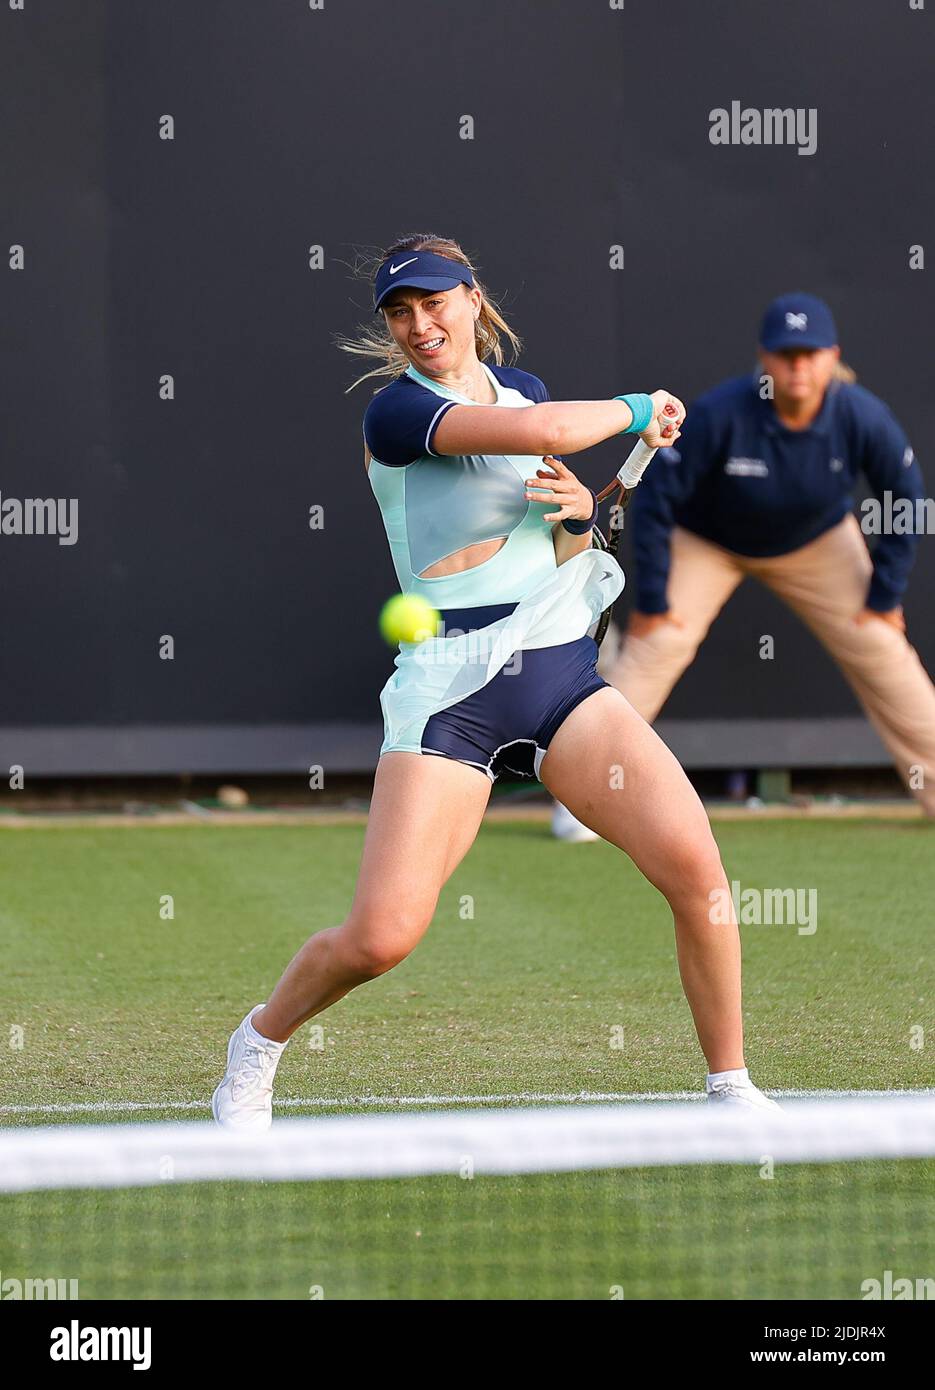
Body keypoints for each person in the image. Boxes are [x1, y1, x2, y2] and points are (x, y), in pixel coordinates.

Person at [211, 233, 779, 1131]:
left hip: (557, 674)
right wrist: (638, 408)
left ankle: (730, 1089)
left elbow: (561, 532)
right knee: (380, 939)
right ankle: (258, 1042)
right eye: (401, 312)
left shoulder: (529, 391)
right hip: (448, 696)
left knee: (698, 874)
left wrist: (583, 511)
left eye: (434, 302)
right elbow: (550, 436)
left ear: (472, 300)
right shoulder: (396, 415)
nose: (419, 324)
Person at [598, 292, 935, 817]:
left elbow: (907, 498)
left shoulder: (862, 416)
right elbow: (658, 499)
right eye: (786, 354)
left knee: (881, 641)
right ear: (765, 358)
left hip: (816, 541)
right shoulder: (723, 412)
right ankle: (588, 800)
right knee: (657, 642)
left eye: (811, 353)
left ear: (833, 356)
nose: (798, 365)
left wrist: (885, 594)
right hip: (710, 541)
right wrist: (653, 601)